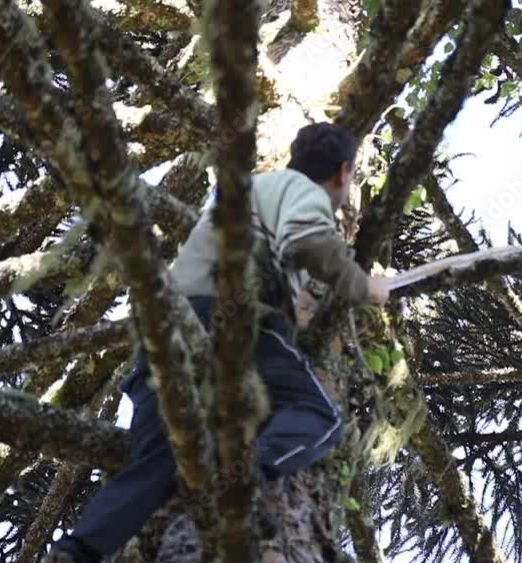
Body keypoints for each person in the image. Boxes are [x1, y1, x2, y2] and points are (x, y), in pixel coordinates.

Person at [46, 122, 389, 563]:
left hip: (165, 328)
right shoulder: (303, 191)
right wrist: (365, 286)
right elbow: (310, 240)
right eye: (351, 176)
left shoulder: (245, 193)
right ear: (343, 173)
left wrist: (296, 302)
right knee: (318, 417)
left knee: (154, 463)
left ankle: (77, 551)